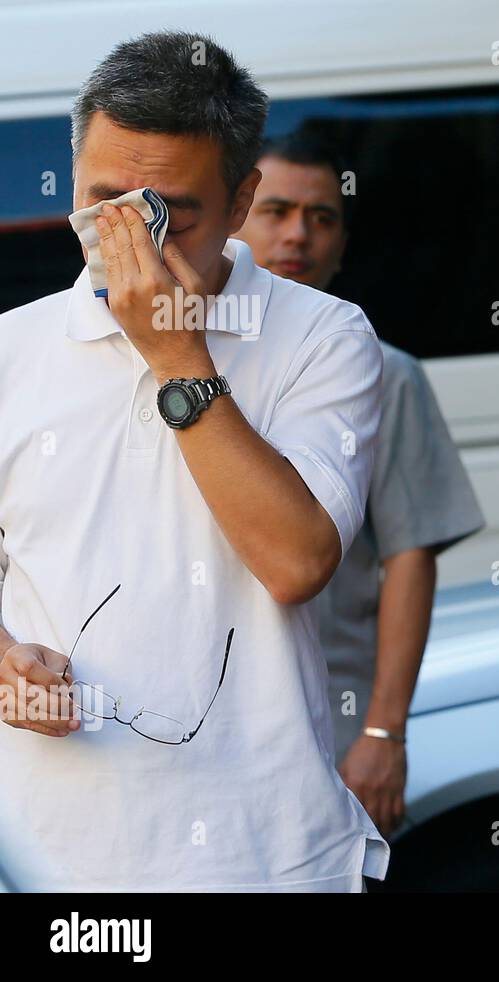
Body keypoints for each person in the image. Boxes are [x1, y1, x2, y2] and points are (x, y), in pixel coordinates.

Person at [0, 32, 387, 891]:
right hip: (49, 860)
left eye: (168, 210)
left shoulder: (325, 336)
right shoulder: (12, 349)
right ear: (70, 177)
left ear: (244, 198)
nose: (128, 236)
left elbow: (296, 561)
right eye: (105, 201)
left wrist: (177, 355)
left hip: (268, 857)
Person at [233, 130, 485, 841]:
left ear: (343, 243)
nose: (298, 235)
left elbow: (410, 556)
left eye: (322, 218)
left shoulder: (386, 371)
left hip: (329, 713)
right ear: (235, 218)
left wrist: (384, 731)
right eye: (276, 211)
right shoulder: (183, 360)